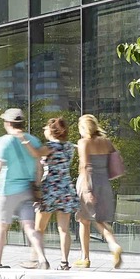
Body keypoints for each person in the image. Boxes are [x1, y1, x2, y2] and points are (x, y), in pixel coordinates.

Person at [0, 105, 48, 268]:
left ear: (7, 123)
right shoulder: (33, 140)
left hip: (7, 191)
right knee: (29, 226)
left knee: (1, 226)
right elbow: (39, 167)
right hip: (27, 190)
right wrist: (37, 186)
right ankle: (42, 258)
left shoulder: (3, 141)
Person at [75, 112, 125, 268]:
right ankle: (113, 244)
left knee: (84, 220)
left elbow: (84, 166)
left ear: (83, 128)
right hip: (104, 183)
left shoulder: (84, 143)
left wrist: (87, 191)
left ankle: (86, 257)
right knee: (100, 219)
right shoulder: (106, 142)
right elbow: (117, 160)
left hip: (89, 182)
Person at [36, 114, 85, 269]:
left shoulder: (49, 147)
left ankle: (41, 259)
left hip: (50, 189)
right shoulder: (69, 146)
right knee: (64, 229)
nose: (44, 130)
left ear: (51, 131)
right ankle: (64, 262)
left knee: (39, 228)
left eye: (46, 128)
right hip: (65, 189)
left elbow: (34, 154)